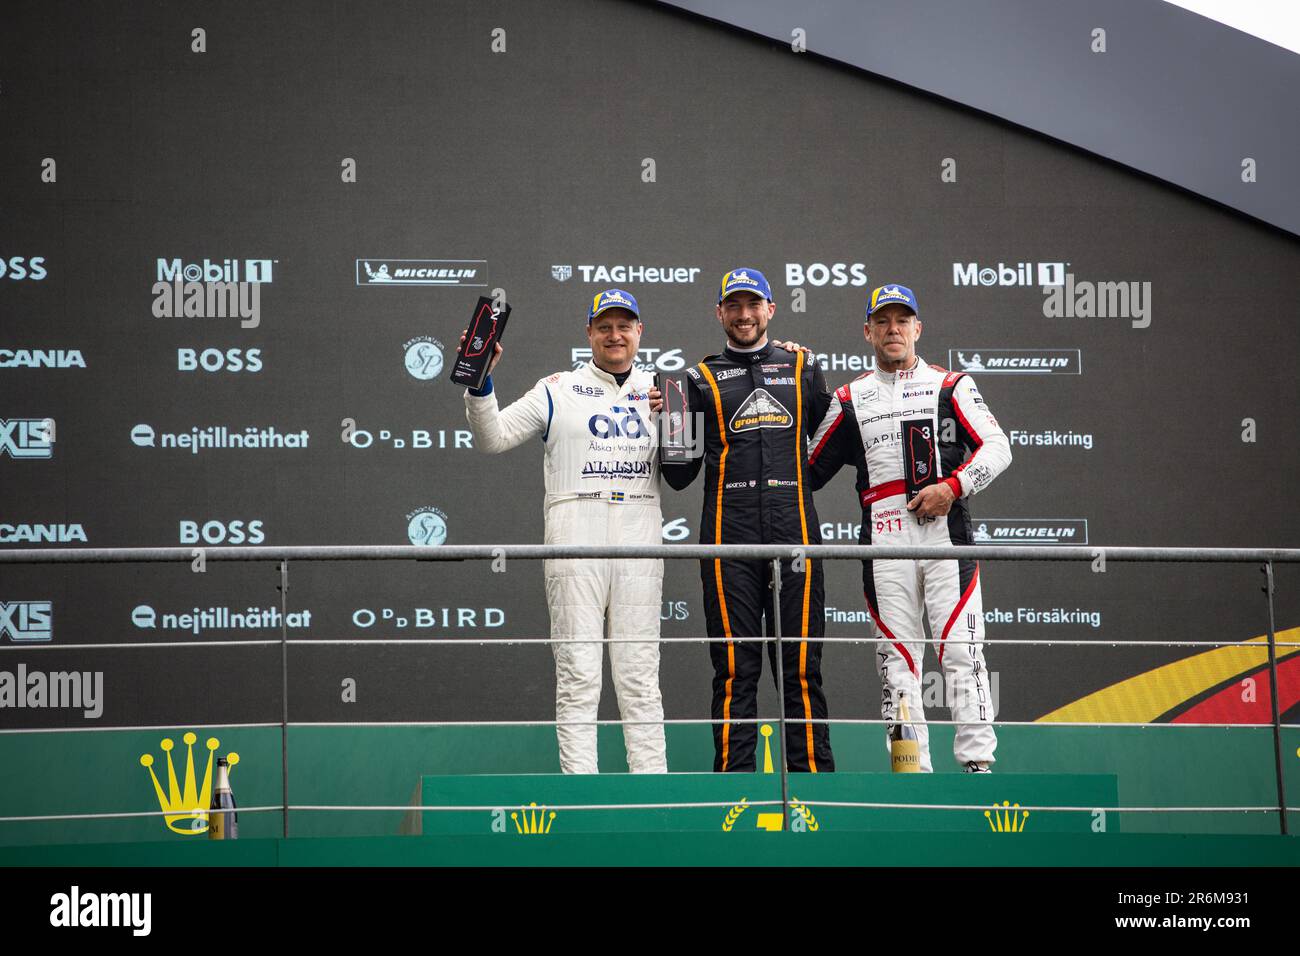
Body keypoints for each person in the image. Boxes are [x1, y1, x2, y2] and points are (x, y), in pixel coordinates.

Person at [807, 284, 1011, 772]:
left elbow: (998, 447)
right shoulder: (849, 397)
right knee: (896, 660)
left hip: (946, 537)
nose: (893, 329)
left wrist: (954, 487)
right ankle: (911, 772)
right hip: (884, 540)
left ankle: (977, 767)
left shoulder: (951, 385)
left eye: (903, 320)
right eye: (883, 321)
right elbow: (807, 470)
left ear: (918, 328)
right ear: (867, 331)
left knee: (962, 650)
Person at [463, 289, 667, 774]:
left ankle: (656, 793)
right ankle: (582, 793)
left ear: (640, 331)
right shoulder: (557, 388)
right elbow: (492, 438)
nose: (614, 335)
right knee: (578, 673)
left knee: (639, 676)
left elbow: (694, 457)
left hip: (640, 534)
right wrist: (479, 380)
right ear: (589, 334)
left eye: (624, 325)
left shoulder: (665, 390)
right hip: (576, 532)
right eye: (604, 326)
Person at [658, 268, 835, 773]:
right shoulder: (695, 379)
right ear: (719, 313)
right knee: (735, 671)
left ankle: (815, 788)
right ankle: (732, 790)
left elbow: (829, 448)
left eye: (752, 304)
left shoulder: (803, 366)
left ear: (771, 309)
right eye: (733, 306)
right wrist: (669, 418)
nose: (743, 315)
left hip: (795, 534)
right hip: (727, 538)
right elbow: (678, 475)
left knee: (801, 668)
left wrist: (799, 483)